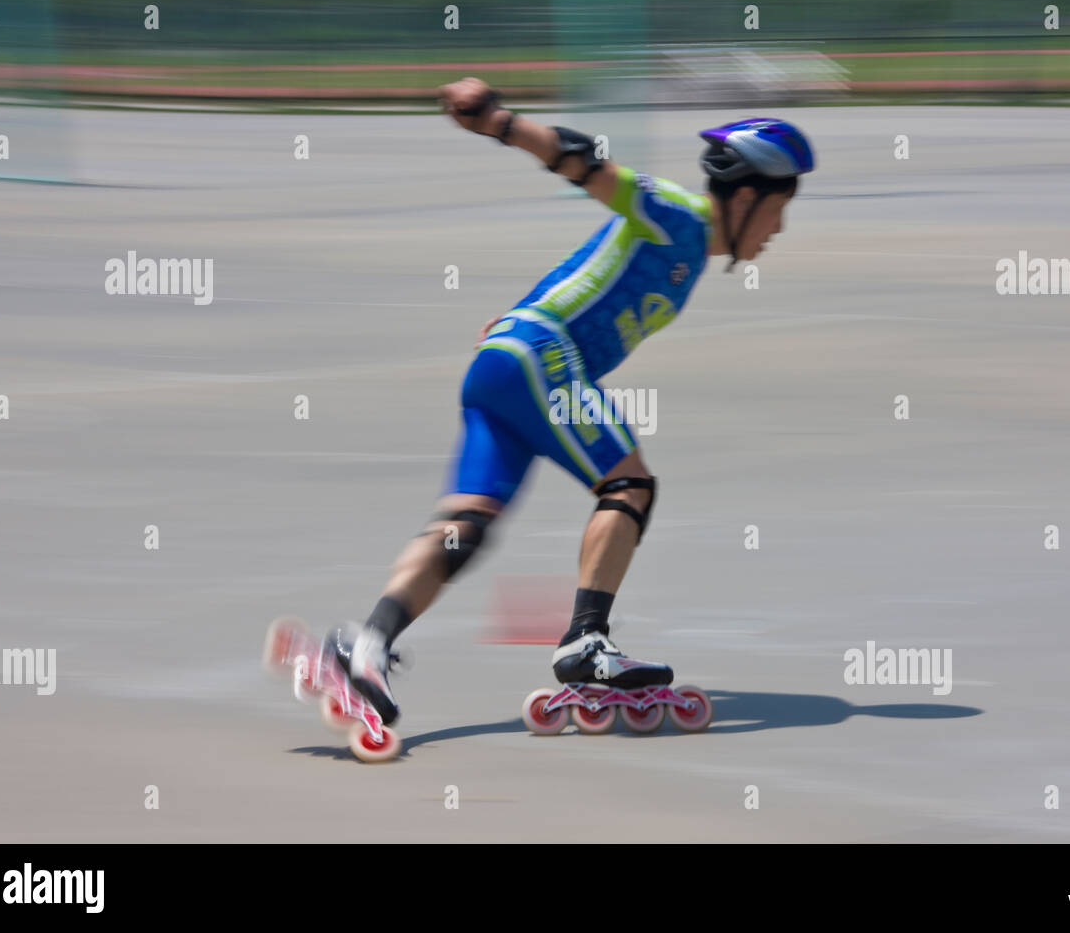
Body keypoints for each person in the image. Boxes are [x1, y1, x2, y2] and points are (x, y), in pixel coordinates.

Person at [329, 77, 815, 726]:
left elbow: (577, 274)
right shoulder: (676, 216)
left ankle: (366, 645)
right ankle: (586, 642)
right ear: (748, 196)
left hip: (505, 368)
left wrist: (512, 325)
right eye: (781, 209)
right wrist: (495, 120)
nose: (779, 230)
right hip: (538, 358)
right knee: (628, 485)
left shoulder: (689, 255)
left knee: (465, 525)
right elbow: (586, 163)